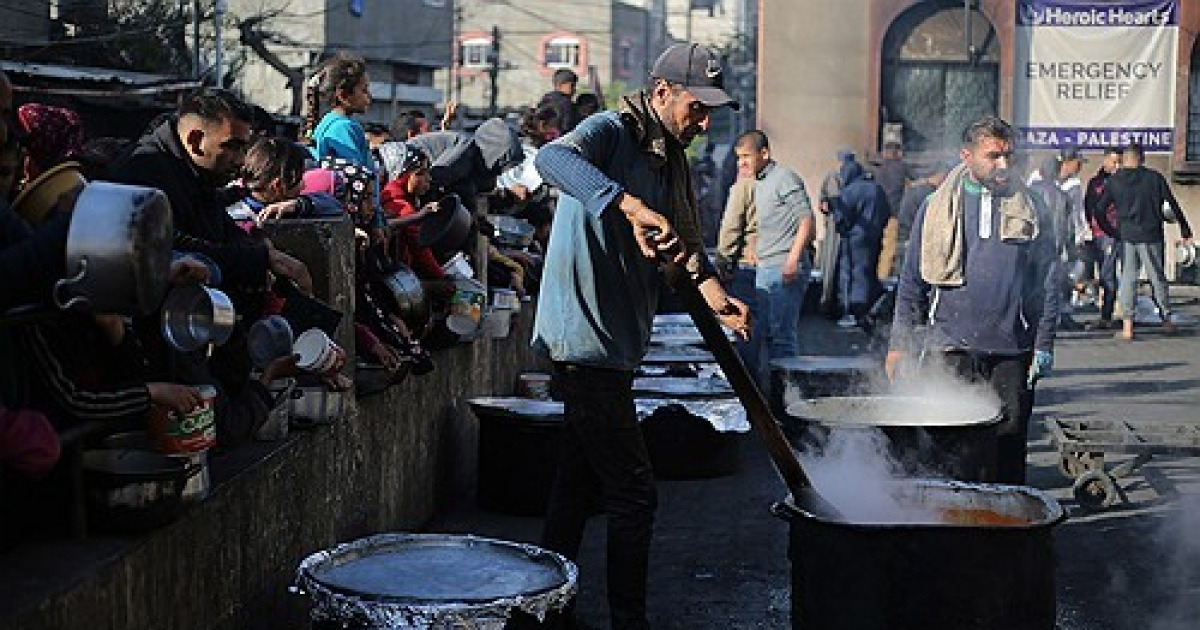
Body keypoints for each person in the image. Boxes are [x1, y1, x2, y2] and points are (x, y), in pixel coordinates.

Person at [532, 42, 749, 630]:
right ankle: (629, 621)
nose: (703, 122)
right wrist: (624, 204)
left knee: (575, 489)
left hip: (617, 344)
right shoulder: (609, 130)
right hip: (584, 339)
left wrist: (715, 297)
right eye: (695, 108)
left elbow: (685, 246)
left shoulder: (669, 158)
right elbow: (553, 160)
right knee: (634, 495)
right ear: (661, 93)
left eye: (710, 112)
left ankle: (544, 610)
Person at [886, 115, 1060, 485]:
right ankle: (950, 530)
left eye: (1008, 156)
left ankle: (1005, 532)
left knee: (1007, 449)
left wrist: (1043, 344)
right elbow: (912, 283)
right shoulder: (935, 207)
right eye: (993, 156)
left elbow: (1046, 284)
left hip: (1011, 351)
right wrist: (900, 344)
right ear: (967, 156)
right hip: (949, 348)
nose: (1004, 166)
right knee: (946, 449)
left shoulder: (1032, 209)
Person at [1094, 143, 1193, 340]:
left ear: (1124, 160)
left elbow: (1100, 209)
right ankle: (1166, 321)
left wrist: (1111, 231)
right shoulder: (1154, 178)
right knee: (1157, 277)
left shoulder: (1115, 181)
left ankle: (1128, 327)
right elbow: (1171, 203)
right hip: (1151, 235)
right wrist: (1184, 228)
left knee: (1128, 279)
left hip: (1127, 236)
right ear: (1142, 158)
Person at [735, 130, 815, 364]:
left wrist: (793, 259)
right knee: (769, 335)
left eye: (746, 156)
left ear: (765, 153)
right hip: (766, 266)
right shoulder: (760, 183)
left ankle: (787, 394)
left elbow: (806, 220)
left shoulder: (784, 179)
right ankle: (772, 393)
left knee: (782, 337)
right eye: (739, 158)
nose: (742, 163)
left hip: (783, 269)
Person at [835, 157, 890, 329]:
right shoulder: (878, 189)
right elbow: (887, 212)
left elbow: (841, 215)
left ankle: (853, 310)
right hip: (875, 236)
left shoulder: (850, 190)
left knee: (852, 274)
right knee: (869, 272)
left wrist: (843, 229)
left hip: (854, 238)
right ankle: (868, 310)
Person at [1082, 147, 1122, 329]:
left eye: (1120, 162)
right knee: (1093, 273)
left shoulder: (1122, 182)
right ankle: (1097, 307)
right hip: (1096, 233)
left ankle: (1107, 314)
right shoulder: (1095, 183)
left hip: (1112, 234)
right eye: (1114, 162)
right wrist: (1089, 228)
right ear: (1105, 161)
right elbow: (1088, 206)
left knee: (1108, 275)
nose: (1117, 166)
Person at [873, 141, 910, 278]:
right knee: (889, 248)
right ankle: (883, 278)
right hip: (893, 213)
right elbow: (908, 186)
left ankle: (876, 275)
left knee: (879, 246)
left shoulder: (880, 170)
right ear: (897, 153)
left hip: (877, 214)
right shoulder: (900, 168)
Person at [539, 67, 580, 133]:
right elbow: (568, 127)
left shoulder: (545, 100)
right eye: (572, 86)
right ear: (560, 85)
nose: (574, 89)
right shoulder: (566, 103)